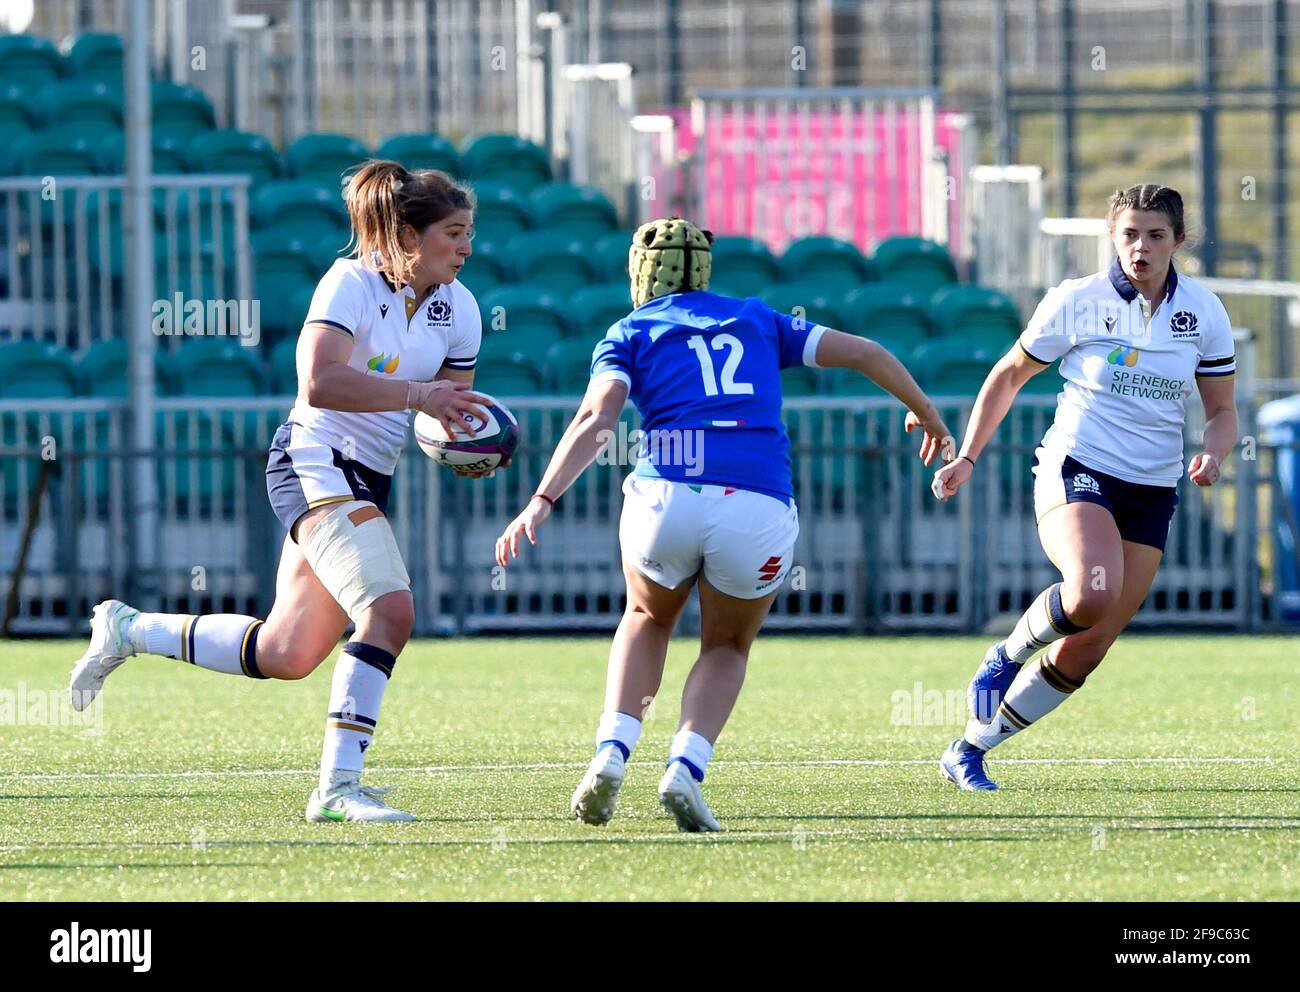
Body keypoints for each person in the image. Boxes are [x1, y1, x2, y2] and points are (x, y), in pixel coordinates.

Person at [495, 217, 952, 830]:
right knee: (728, 644)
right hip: (756, 504)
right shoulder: (760, 317)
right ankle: (685, 765)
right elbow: (866, 352)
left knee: (646, 616)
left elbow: (595, 419)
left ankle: (611, 752)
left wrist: (541, 499)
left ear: (641, 271)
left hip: (667, 497)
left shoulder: (630, 329)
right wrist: (927, 414)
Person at [69, 161, 492, 822]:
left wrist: (470, 438)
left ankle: (129, 628)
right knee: (392, 611)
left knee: (286, 651)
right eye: (455, 233)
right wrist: (420, 396)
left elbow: (447, 407)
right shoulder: (348, 282)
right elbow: (320, 382)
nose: (467, 247)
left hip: (369, 474)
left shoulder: (460, 307)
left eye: (469, 234)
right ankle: (337, 789)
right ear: (409, 235)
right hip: (314, 459)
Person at [931, 184, 1238, 790]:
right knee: (1092, 591)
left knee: (1089, 646)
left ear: (1178, 241)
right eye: (1129, 234)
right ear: (1112, 237)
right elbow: (1008, 376)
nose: (1140, 248)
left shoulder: (1204, 311)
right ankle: (1005, 657)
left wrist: (1214, 451)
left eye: (1155, 235)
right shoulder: (1078, 300)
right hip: (1080, 468)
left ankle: (969, 748)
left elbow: (1222, 409)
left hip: (1152, 490)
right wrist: (968, 456)